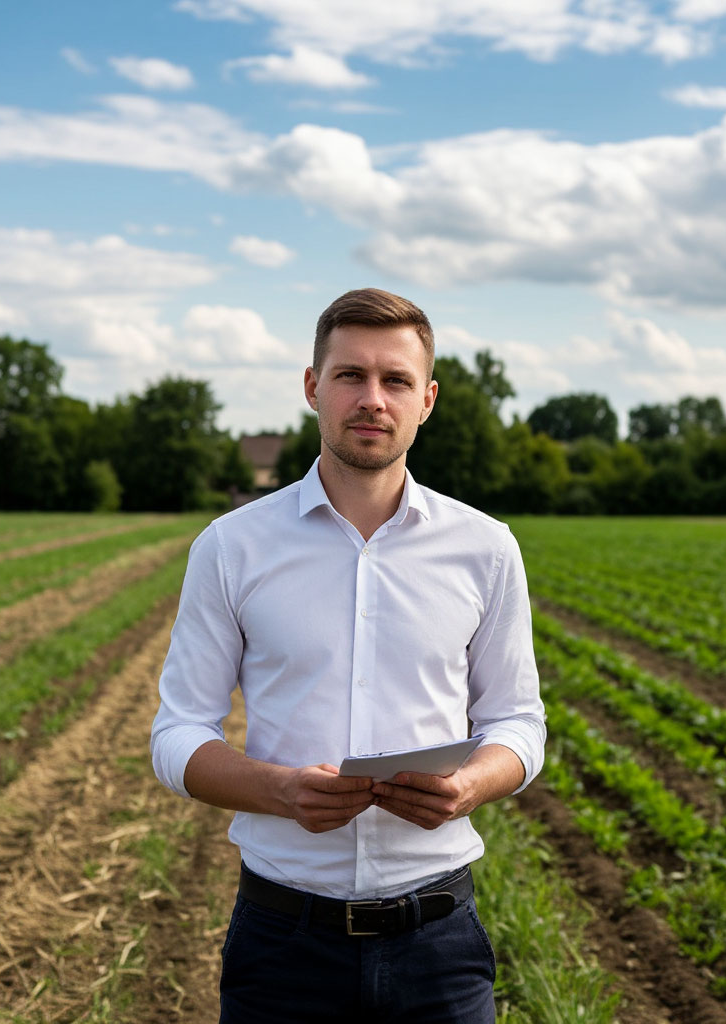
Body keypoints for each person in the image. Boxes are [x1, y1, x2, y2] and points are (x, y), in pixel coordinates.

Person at [151, 287, 546, 1023]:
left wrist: (471, 785)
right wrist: (277, 791)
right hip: (282, 946)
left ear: (426, 400)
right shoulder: (232, 547)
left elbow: (520, 723)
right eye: (349, 376)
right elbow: (177, 735)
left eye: (395, 380)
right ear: (312, 387)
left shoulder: (486, 550)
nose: (373, 399)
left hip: (440, 946)